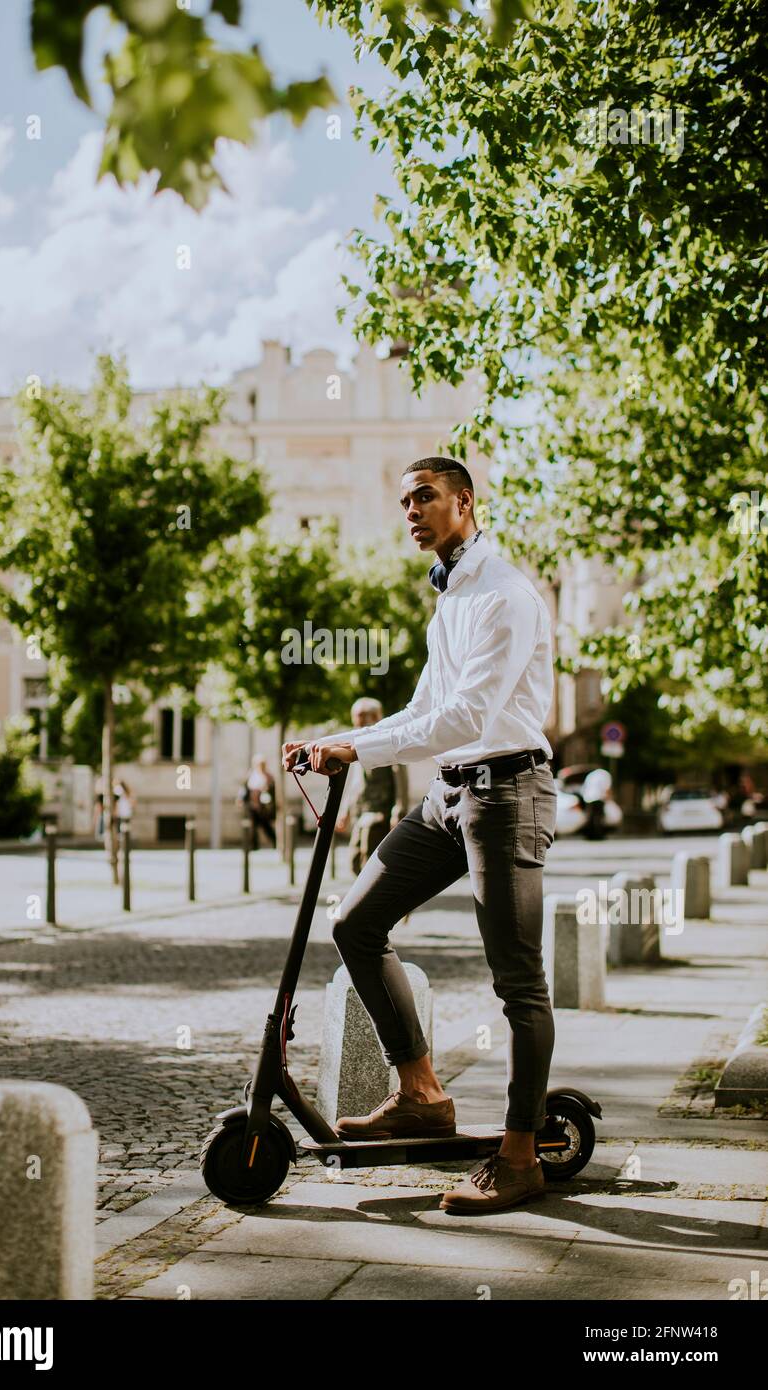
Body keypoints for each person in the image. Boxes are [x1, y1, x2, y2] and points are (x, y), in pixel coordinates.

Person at [283, 457, 557, 1215]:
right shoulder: (449, 602)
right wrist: (335, 738)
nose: (411, 510)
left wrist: (358, 749)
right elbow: (420, 711)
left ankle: (520, 1154)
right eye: (404, 500)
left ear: (465, 503)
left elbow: (469, 717)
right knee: (356, 921)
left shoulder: (504, 595)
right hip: (452, 791)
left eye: (426, 497)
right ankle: (422, 1094)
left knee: (518, 982)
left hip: (507, 793)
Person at [335, 697, 409, 876]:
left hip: (379, 814)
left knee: (372, 863)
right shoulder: (357, 745)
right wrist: (345, 810)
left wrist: (399, 810)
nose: (356, 720)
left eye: (361, 715)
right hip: (360, 814)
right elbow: (354, 783)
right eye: (355, 716)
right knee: (354, 861)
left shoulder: (389, 742)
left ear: (376, 717)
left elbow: (401, 780)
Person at [240, 755, 277, 848]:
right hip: (252, 805)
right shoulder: (251, 775)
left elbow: (272, 791)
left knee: (266, 826)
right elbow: (245, 789)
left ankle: (275, 843)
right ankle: (253, 846)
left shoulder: (268, 776)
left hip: (264, 806)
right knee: (253, 827)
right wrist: (241, 799)